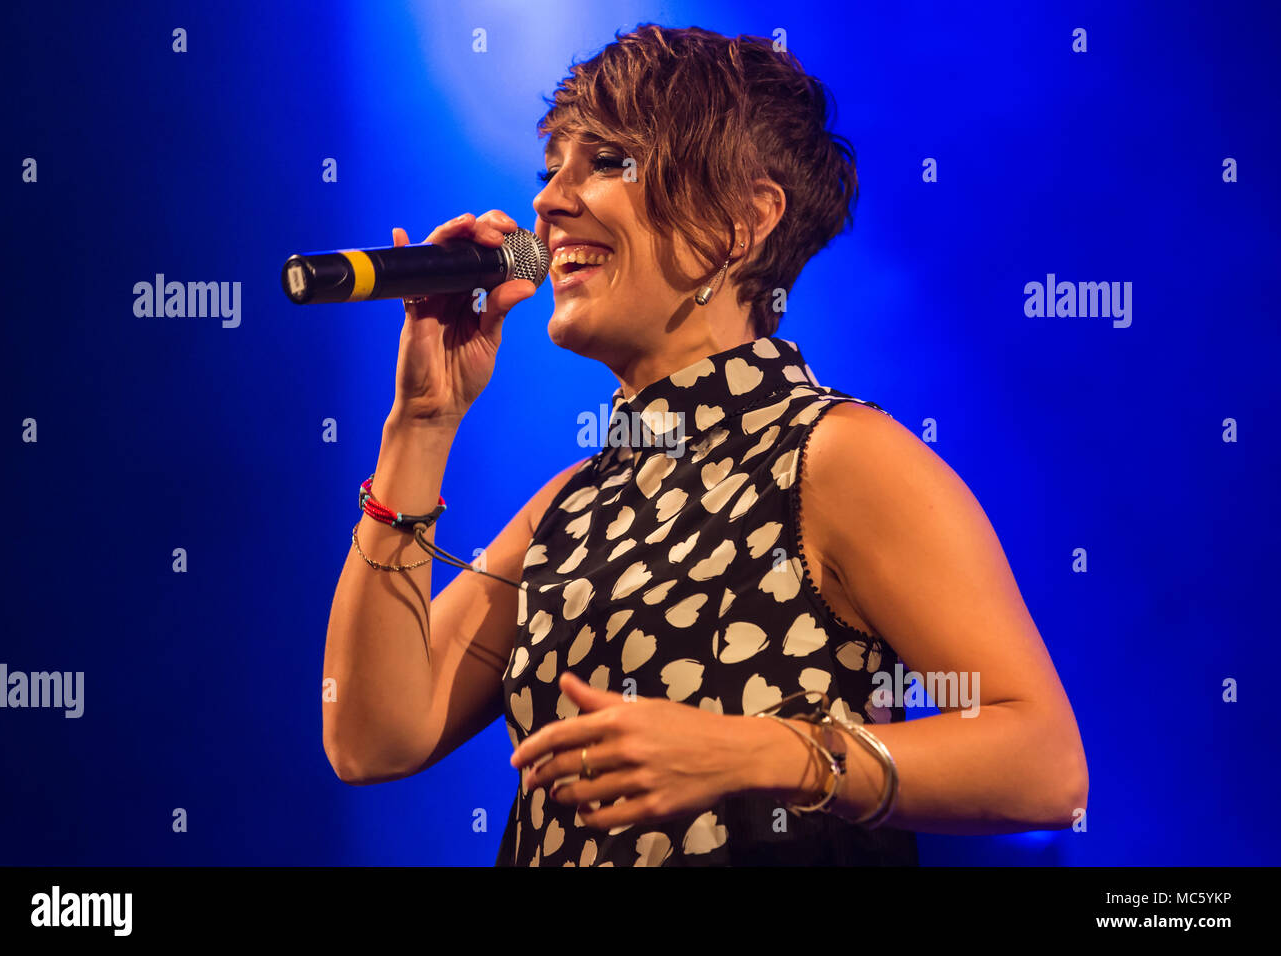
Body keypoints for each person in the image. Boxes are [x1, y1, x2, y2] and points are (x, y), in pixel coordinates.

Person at [322, 24, 1088, 867]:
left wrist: (761, 753)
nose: (548, 201)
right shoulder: (570, 507)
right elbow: (374, 739)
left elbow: (1042, 763)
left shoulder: (836, 457)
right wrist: (421, 427)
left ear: (742, 222)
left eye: (609, 161)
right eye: (551, 172)